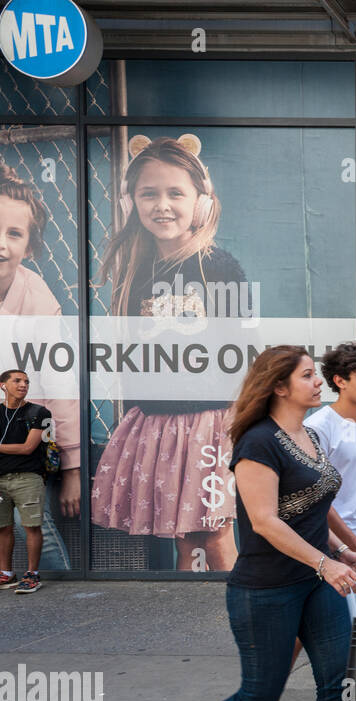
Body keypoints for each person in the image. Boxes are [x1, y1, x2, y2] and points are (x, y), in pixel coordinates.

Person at [152, 346, 356, 701]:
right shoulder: (258, 443)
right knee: (258, 693)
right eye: (309, 376)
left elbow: (320, 498)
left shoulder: (307, 435)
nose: (319, 382)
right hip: (265, 590)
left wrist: (342, 549)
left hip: (314, 581)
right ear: (279, 386)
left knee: (338, 680)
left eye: (317, 375)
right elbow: (267, 522)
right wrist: (327, 564)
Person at [91, 134, 250, 571]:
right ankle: (191, 630)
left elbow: (241, 354)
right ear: (131, 204)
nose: (162, 205)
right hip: (160, 424)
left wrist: (238, 427)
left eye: (175, 193)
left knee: (214, 535)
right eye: (149, 193)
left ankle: (230, 627)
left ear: (201, 202)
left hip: (208, 424)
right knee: (185, 539)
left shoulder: (220, 266)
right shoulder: (137, 272)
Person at [245, 342, 356, 701]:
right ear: (341, 381)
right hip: (326, 548)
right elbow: (311, 498)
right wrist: (344, 547)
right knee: (305, 636)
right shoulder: (314, 428)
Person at [0, 163, 79, 571]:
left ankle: (55, 592)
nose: (1, 244)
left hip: (23, 444)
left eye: (14, 234)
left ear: (29, 246)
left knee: (29, 520)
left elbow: (61, 388)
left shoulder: (38, 301)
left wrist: (73, 468)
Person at [0, 369, 49, 593]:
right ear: (3, 385)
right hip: (1, 479)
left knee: (31, 526)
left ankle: (32, 574)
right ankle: (6, 573)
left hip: (28, 478)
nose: (23, 385)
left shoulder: (39, 412)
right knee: (3, 528)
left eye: (26, 382)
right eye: (17, 381)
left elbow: (28, 448)